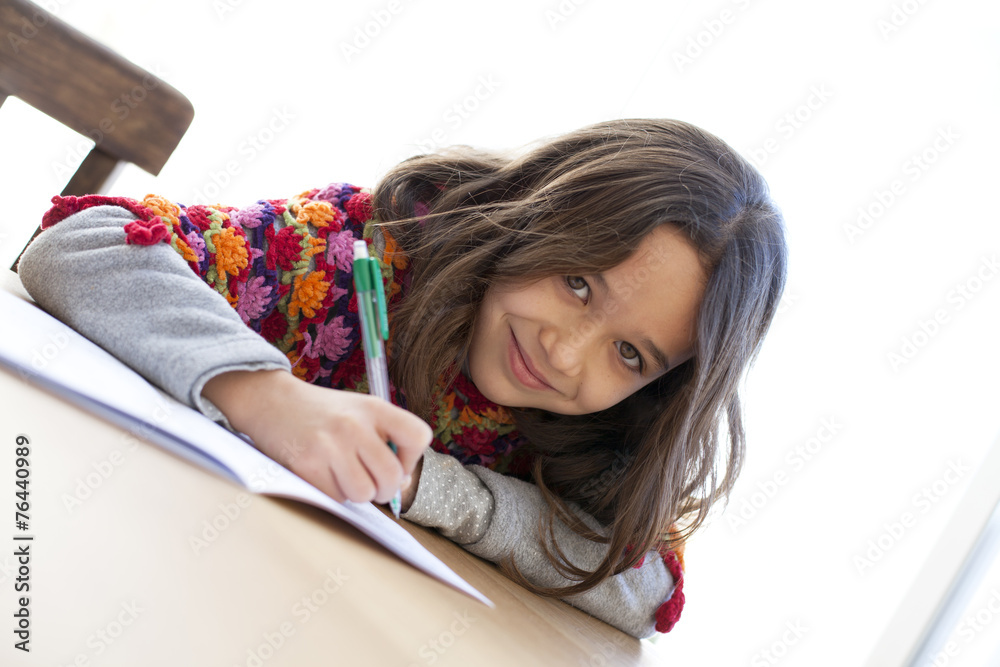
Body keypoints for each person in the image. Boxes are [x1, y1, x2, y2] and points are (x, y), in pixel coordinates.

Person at [17, 118, 787, 639]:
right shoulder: (368, 253)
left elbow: (643, 584)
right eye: (578, 283)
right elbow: (81, 243)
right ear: (535, 211)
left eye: (631, 354)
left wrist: (430, 488)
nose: (565, 352)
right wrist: (266, 396)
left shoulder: (610, 424)